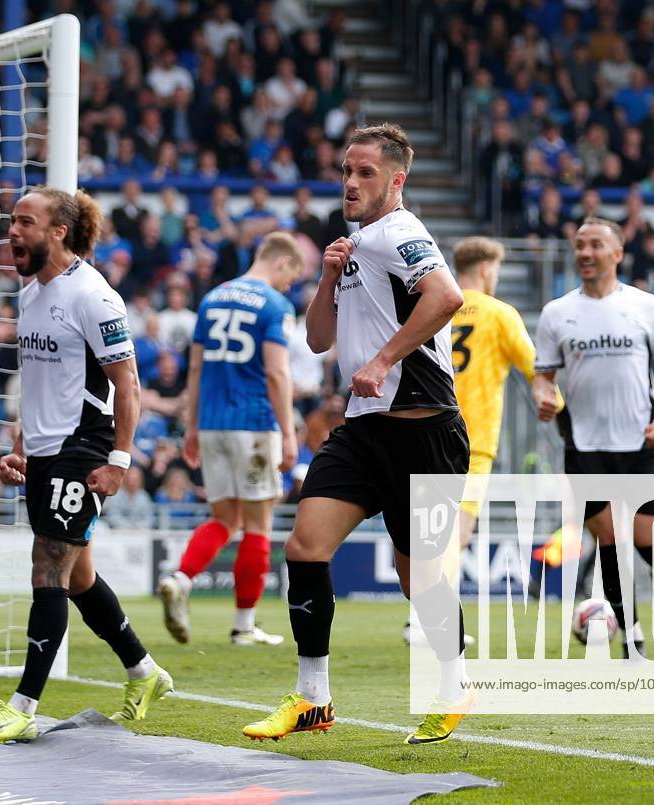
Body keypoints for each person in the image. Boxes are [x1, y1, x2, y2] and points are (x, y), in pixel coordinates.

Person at [241, 124, 471, 746]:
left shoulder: (402, 232)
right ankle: (312, 698)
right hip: (363, 431)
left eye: (366, 172)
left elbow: (447, 296)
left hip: (424, 430)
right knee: (304, 548)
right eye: (347, 169)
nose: (350, 181)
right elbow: (318, 339)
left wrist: (384, 360)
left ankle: (455, 680)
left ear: (396, 181)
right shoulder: (356, 243)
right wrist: (326, 275)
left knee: (416, 574)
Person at [0, 187, 172, 744]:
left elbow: (127, 383)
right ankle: (145, 673)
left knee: (48, 566)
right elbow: (41, 381)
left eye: (24, 222)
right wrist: (25, 446)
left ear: (58, 231)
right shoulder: (33, 293)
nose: (12, 232)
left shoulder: (93, 296)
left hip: (86, 449)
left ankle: (23, 705)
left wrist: (120, 462)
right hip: (47, 451)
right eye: (11, 222)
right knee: (79, 577)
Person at [533, 217, 654, 658]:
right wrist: (544, 396)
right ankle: (632, 634)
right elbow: (542, 376)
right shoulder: (556, 313)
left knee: (647, 539)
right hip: (584, 447)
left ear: (617, 253)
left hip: (641, 444)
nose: (585, 252)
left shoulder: (647, 307)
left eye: (596, 244)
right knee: (609, 539)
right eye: (580, 245)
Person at [402, 236, 561, 645]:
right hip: (471, 439)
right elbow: (535, 366)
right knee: (456, 530)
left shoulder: (436, 303)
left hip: (423, 426)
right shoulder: (498, 313)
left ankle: (417, 617)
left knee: (428, 529)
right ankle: (428, 621)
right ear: (488, 269)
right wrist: (557, 402)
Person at [157, 232, 303, 647]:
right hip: (254, 424)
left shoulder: (212, 298)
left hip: (213, 424)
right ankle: (244, 626)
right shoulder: (276, 305)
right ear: (281, 262)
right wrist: (289, 434)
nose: (288, 285)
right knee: (258, 524)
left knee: (225, 518)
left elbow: (196, 370)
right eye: (290, 276)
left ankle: (180, 577)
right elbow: (276, 373)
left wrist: (192, 427)